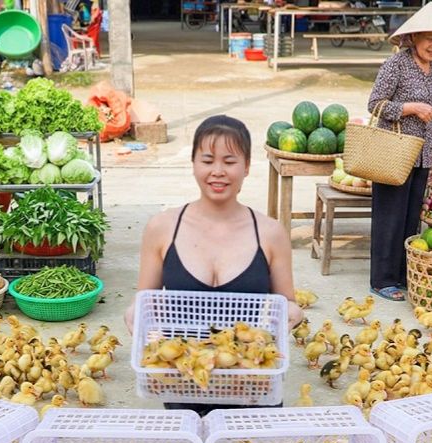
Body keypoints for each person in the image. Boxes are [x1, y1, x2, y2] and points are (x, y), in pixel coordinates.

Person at [127, 115, 302, 414]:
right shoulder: (163, 228)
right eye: (207, 160)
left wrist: (291, 314)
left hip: (251, 383)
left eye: (230, 161)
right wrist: (136, 315)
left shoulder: (270, 233)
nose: (218, 172)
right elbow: (146, 301)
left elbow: (288, 302)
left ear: (246, 166)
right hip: (184, 382)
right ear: (194, 163)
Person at [365, 2, 432, 301]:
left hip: (423, 155)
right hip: (394, 152)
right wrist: (410, 108)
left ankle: (402, 275)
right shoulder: (396, 65)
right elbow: (375, 105)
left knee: (411, 218)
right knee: (390, 216)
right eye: (430, 39)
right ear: (414, 37)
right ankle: (382, 280)